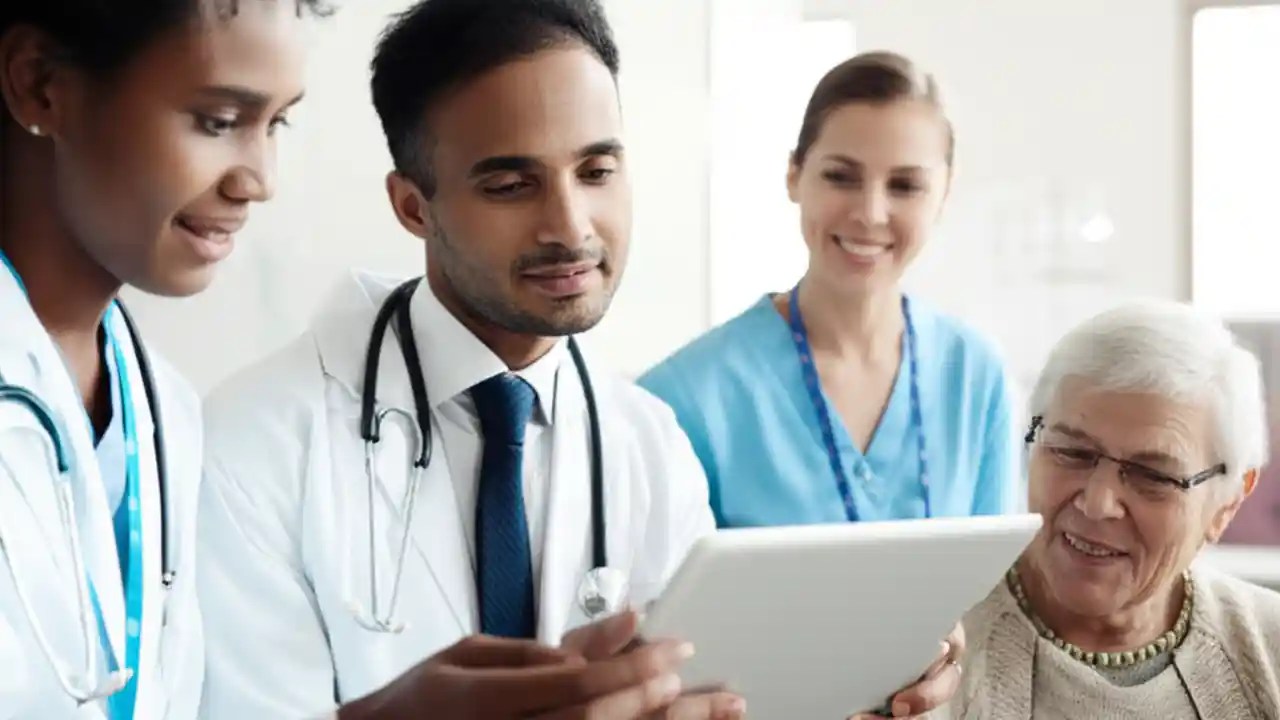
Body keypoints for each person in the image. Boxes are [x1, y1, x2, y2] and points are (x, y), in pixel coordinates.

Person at [195, 3, 960, 719]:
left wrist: (863, 678)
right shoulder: (250, 447)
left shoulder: (648, 444)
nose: (569, 226)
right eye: (509, 184)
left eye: (596, 173)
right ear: (412, 206)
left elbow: (713, 698)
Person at [0, 1, 321, 717]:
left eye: (277, 124)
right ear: (39, 85)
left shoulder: (163, 413)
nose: (259, 179)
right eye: (219, 121)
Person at [639, 52, 1021, 528]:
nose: (870, 213)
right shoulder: (681, 402)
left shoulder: (974, 378)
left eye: (905, 186)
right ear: (794, 175)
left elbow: (998, 589)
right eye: (841, 177)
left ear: (944, 194)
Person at [939, 301, 1280, 719]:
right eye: (1072, 452)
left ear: (1228, 503)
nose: (1097, 504)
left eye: (1152, 475)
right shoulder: (929, 657)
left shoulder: (1268, 648)